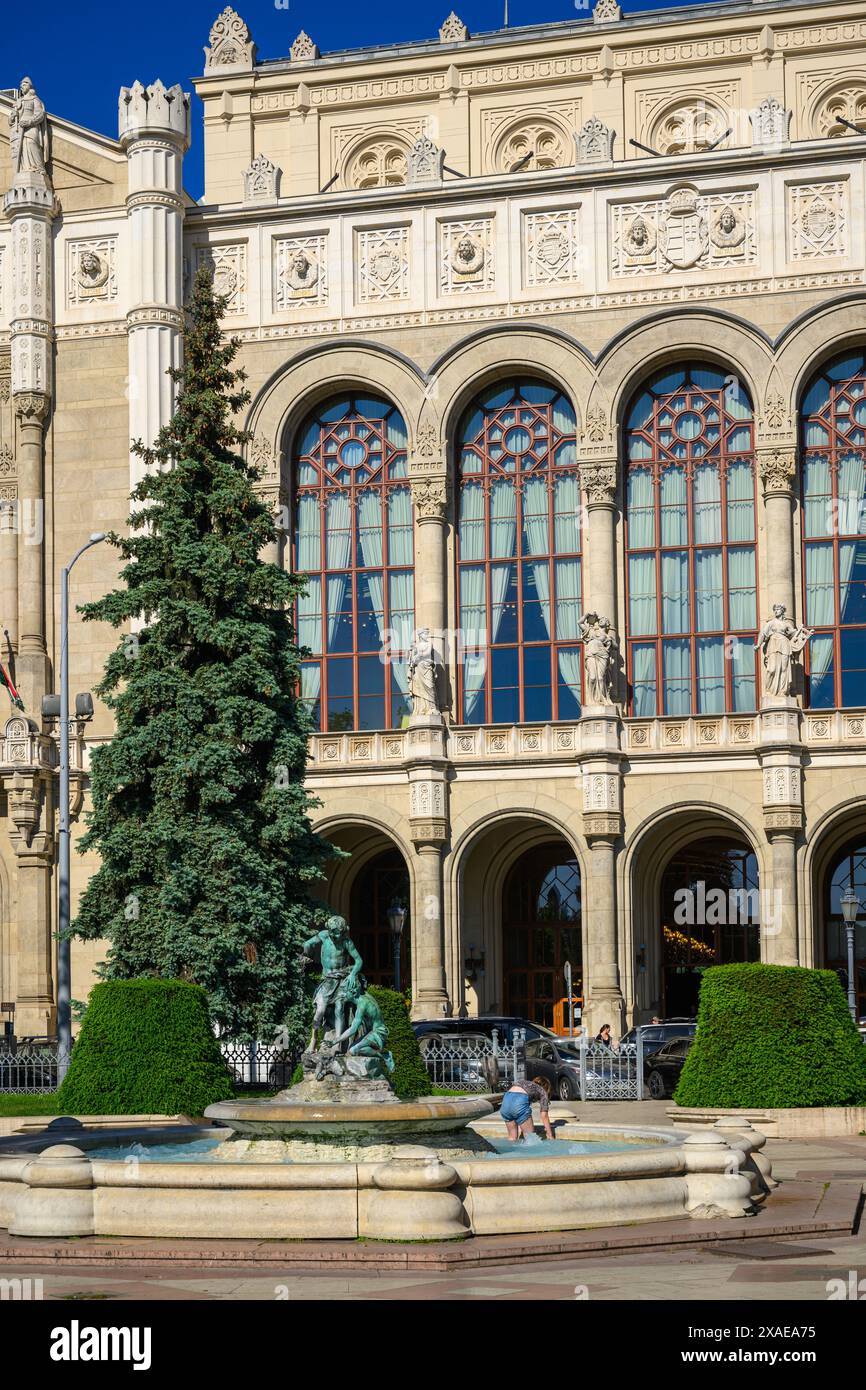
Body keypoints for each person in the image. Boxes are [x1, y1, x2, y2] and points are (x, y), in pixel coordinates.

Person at [500, 1078, 556, 1143]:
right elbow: (544, 1115)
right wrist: (550, 1134)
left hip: (505, 1100)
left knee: (512, 1138)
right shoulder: (542, 1090)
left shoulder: (524, 1083)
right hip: (519, 1102)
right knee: (530, 1140)